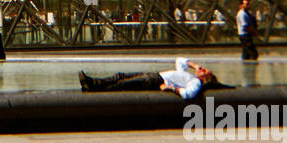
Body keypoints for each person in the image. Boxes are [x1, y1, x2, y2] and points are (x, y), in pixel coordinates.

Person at [79, 58, 222, 97]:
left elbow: (188, 94)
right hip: (154, 75)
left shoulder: (195, 82)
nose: (201, 69)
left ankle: (94, 88)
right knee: (120, 76)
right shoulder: (190, 75)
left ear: (205, 79)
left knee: (123, 84)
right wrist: (195, 66)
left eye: (204, 71)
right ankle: (93, 82)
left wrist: (171, 88)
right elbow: (180, 60)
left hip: (156, 80)